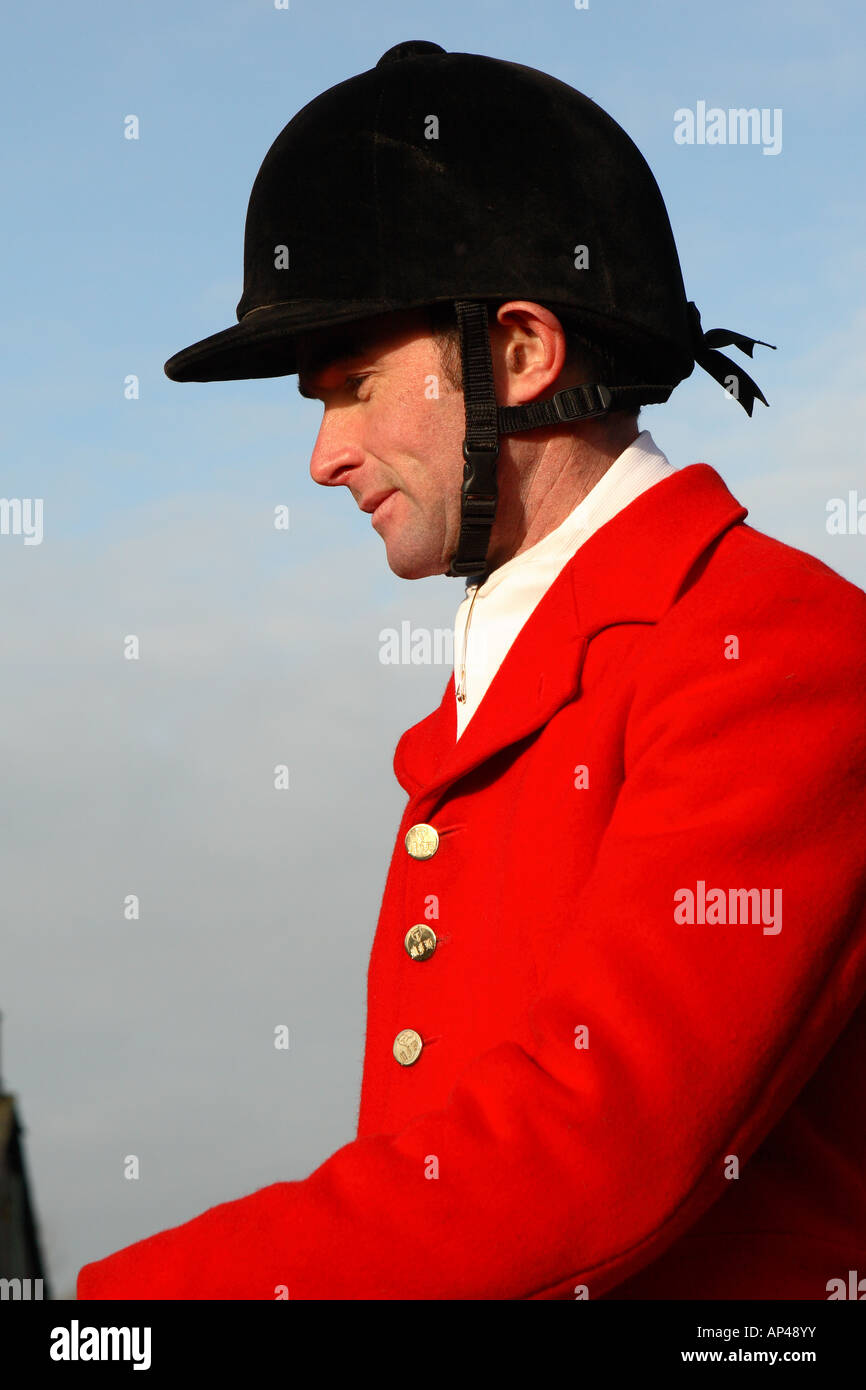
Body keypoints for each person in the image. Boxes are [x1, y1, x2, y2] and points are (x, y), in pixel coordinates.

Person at [77, 40, 866, 1300]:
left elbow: (587, 1153)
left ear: (516, 352)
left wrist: (116, 1317)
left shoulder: (774, 649)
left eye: (355, 388)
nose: (323, 456)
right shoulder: (513, 682)